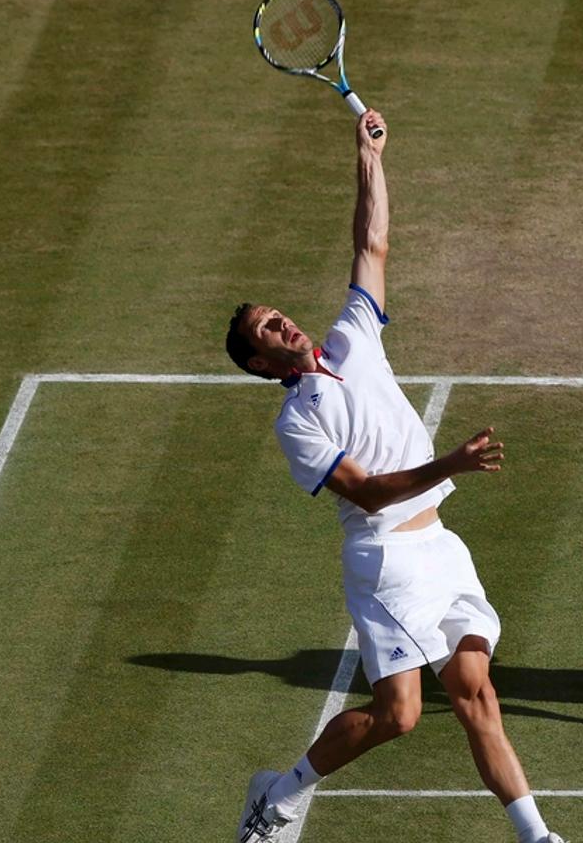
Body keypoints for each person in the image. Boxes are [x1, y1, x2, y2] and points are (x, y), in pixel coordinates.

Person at [225, 109, 565, 843]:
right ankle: (277, 798)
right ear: (260, 364)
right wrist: (452, 462)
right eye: (267, 332)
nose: (284, 326)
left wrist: (368, 156)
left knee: (476, 694)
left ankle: (539, 838)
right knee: (399, 715)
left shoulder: (351, 332)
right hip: (385, 561)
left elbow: (371, 242)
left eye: (279, 316)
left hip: (440, 545)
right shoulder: (296, 424)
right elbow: (370, 492)